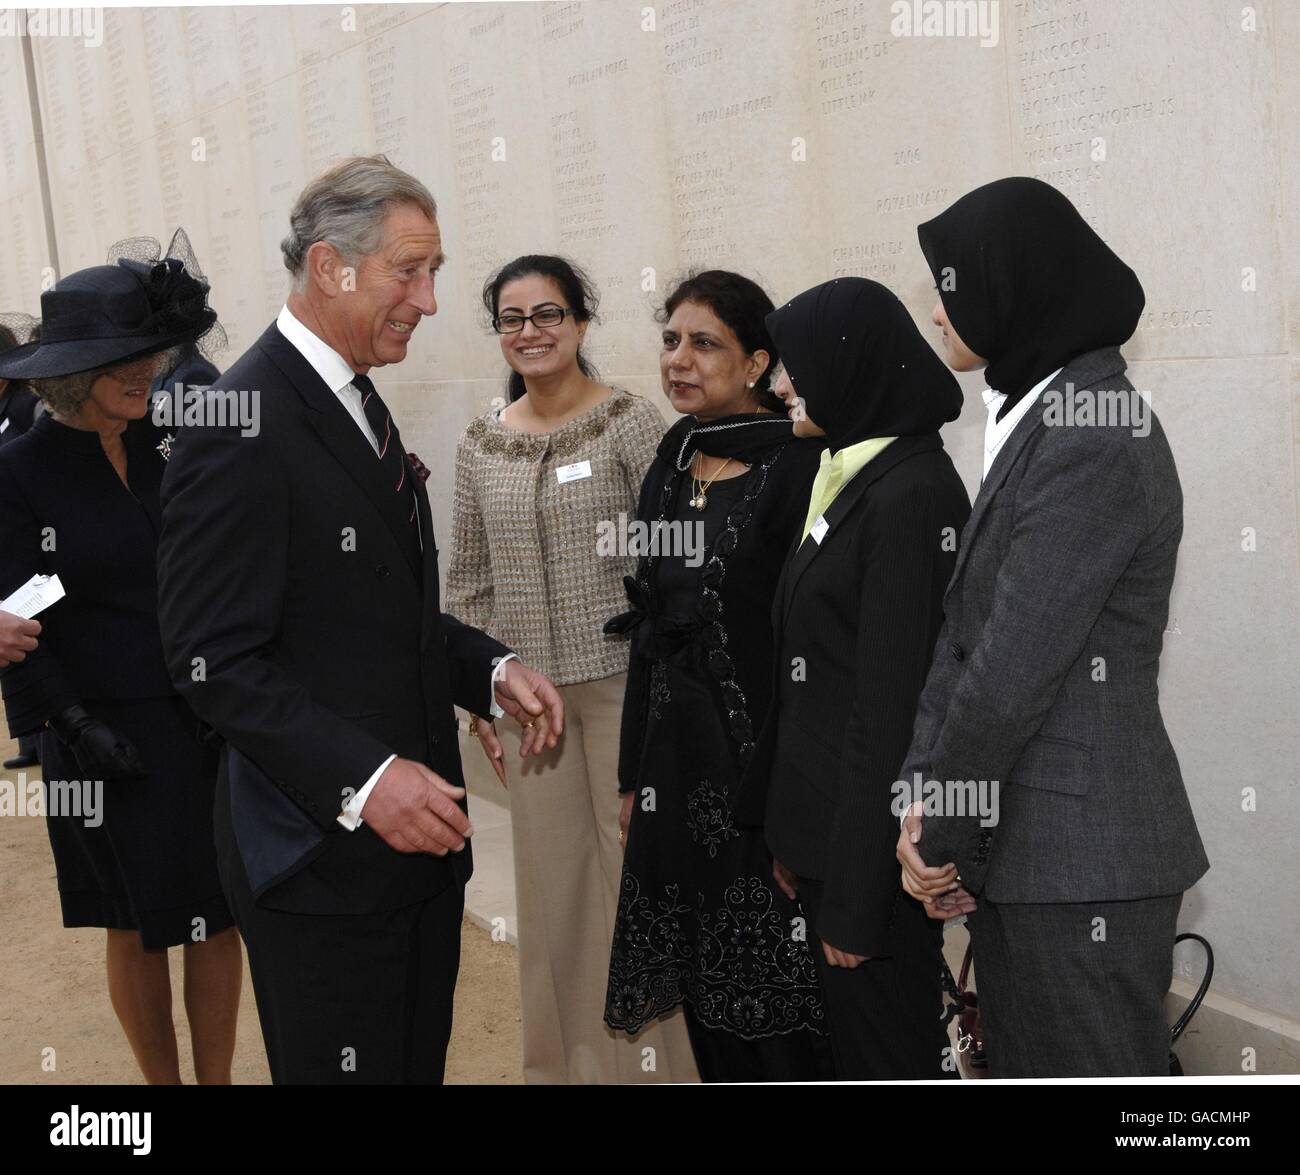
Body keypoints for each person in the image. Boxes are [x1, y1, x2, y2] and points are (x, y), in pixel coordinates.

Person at [155, 155, 565, 1085]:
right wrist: (367, 779)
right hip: (322, 866)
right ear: (332, 266)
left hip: (415, 856)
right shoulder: (240, 417)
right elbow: (210, 660)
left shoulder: (353, 397)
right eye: (409, 271)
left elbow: (376, 610)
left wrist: (488, 669)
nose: (428, 299)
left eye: (435, 271)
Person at [895, 177, 1209, 1077]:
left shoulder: (1093, 430)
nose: (941, 307)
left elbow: (1009, 671)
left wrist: (939, 831)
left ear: (1016, 287)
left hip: (1079, 862)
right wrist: (923, 808)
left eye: (954, 283)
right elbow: (964, 642)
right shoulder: (1042, 414)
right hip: (1031, 856)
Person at [0, 242, 243, 1083]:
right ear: (72, 375)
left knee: (217, 914)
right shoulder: (19, 470)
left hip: (201, 716)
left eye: (150, 357)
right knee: (134, 920)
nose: (147, 373)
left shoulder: (170, 442)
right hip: (97, 730)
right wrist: (69, 722)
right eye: (123, 363)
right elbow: (17, 615)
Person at [449, 254, 694, 1083]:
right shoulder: (480, 443)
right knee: (552, 891)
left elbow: (673, 560)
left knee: (637, 879)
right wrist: (479, 702)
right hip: (529, 704)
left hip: (628, 688)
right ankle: (571, 1070)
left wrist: (670, 693)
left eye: (548, 314)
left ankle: (659, 1069)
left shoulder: (629, 422)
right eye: (512, 319)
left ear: (582, 323)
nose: (531, 332)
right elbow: (469, 582)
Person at [734, 277, 970, 1079]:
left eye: (793, 363)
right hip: (828, 848)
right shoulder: (846, 468)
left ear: (850, 364)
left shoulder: (914, 493)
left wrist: (860, 896)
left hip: (869, 872)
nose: (776, 383)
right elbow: (815, 677)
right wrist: (792, 834)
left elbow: (891, 712)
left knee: (887, 1057)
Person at [603, 271, 831, 1082]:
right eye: (670, 340)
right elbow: (648, 628)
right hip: (674, 768)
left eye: (705, 343)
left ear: (758, 360)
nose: (679, 360)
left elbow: (816, 637)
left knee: (777, 995)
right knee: (703, 990)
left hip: (758, 777)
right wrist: (633, 776)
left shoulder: (800, 464)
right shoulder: (675, 456)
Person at [0, 317, 44, 767]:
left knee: (28, 635)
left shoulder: (24, 406)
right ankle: (30, 736)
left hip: (33, 546)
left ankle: (39, 734)